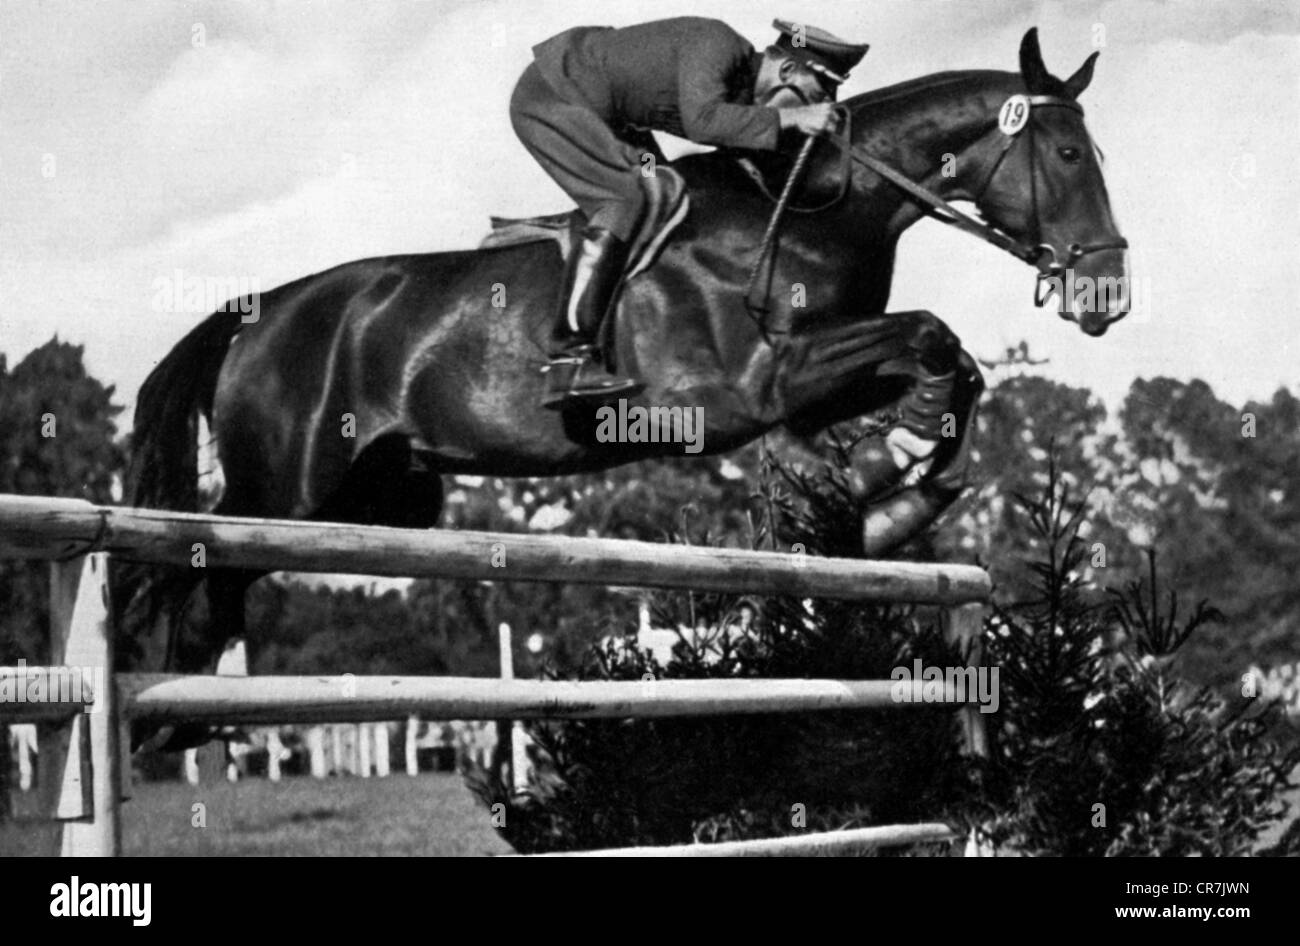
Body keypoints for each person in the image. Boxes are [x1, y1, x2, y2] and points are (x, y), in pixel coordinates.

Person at [509, 17, 869, 409]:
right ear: (786, 71)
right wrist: (791, 118)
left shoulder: (735, 87)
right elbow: (703, 124)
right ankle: (568, 362)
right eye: (816, 95)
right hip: (554, 93)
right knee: (622, 200)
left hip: (600, 111)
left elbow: (727, 132)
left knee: (666, 188)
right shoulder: (717, 44)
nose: (815, 109)